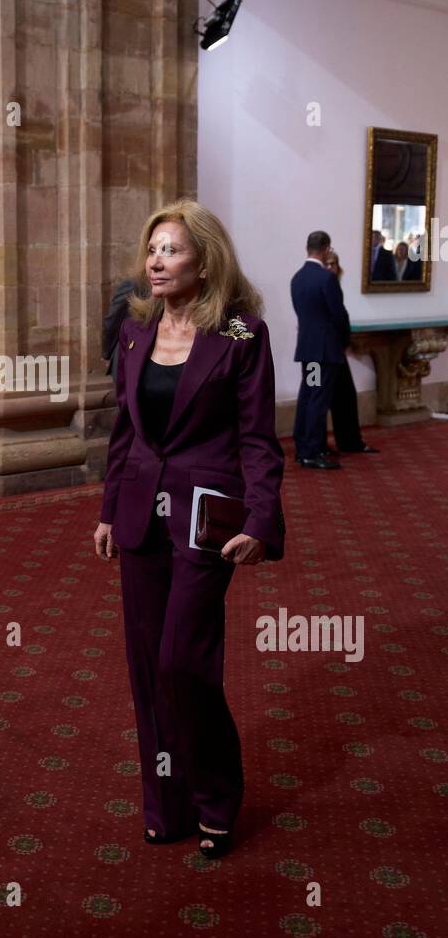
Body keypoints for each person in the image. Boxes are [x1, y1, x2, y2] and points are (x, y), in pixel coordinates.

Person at [93, 200, 285, 861]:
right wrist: (108, 509)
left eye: (171, 250)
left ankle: (216, 799)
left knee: (184, 661)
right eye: (152, 249)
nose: (155, 261)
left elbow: (258, 441)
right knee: (148, 668)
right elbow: (126, 432)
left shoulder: (241, 334)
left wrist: (261, 519)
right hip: (141, 515)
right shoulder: (134, 330)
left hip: (208, 523)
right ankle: (165, 804)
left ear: (204, 260)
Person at [290, 230, 350, 470]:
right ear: (325, 249)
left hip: (308, 350)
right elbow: (338, 315)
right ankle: (312, 451)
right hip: (324, 352)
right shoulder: (326, 278)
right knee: (317, 399)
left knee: (308, 395)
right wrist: (343, 341)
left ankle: (303, 446)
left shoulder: (297, 277)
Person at [323, 250, 378, 457]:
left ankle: (350, 441)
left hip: (335, 352)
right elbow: (334, 318)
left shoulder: (333, 284)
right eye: (327, 263)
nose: (331, 268)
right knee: (317, 397)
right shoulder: (320, 283)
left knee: (345, 395)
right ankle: (315, 445)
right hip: (320, 354)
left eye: (334, 264)